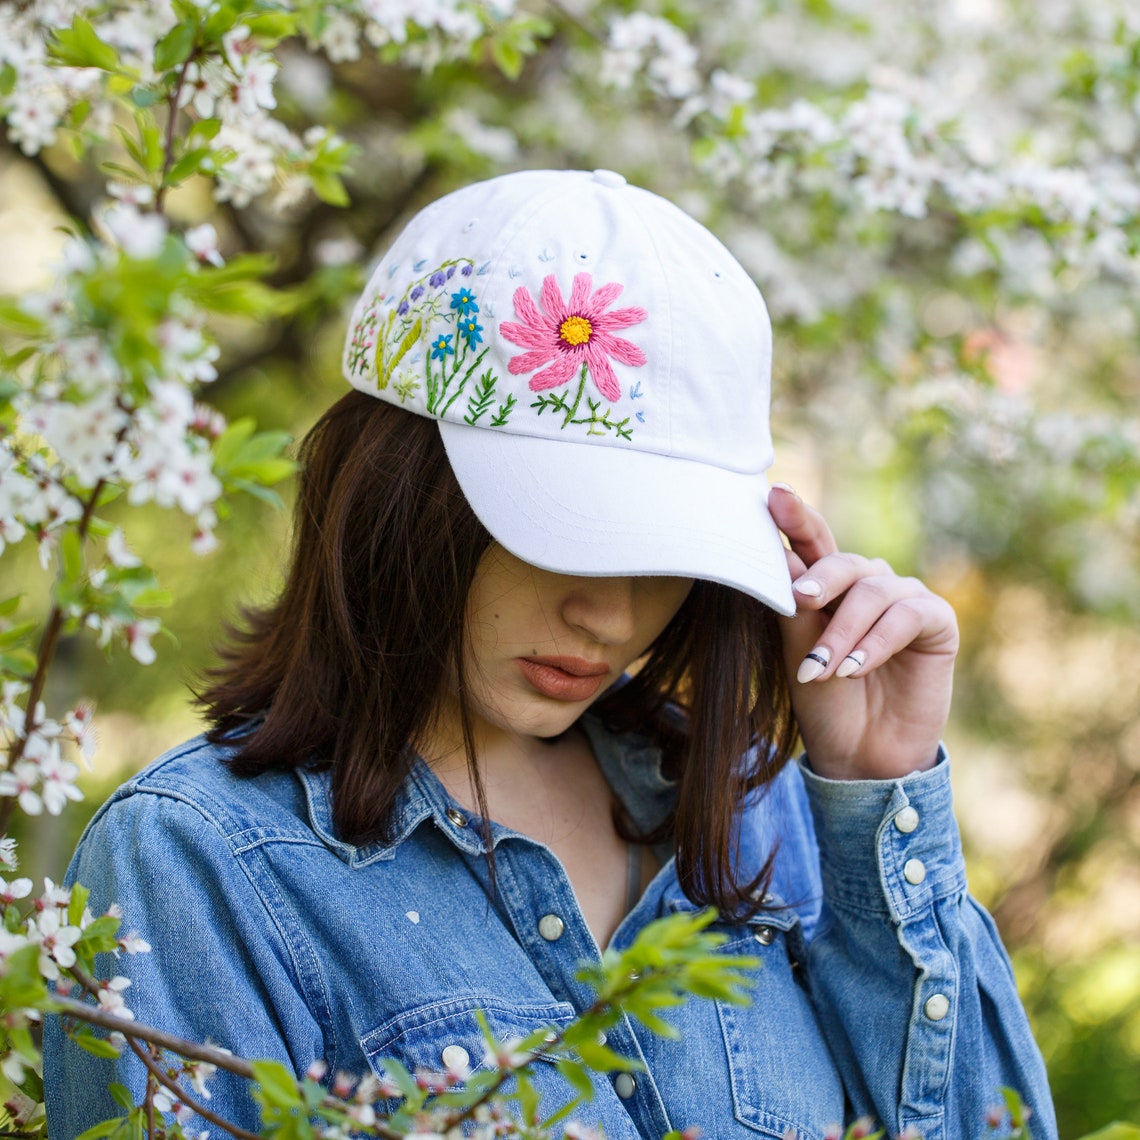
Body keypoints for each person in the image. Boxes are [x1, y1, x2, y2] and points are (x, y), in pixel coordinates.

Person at [45, 169, 1057, 1140]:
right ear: (401, 498)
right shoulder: (196, 864)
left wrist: (876, 785)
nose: (611, 615)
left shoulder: (762, 817)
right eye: (560, 532)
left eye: (665, 551)